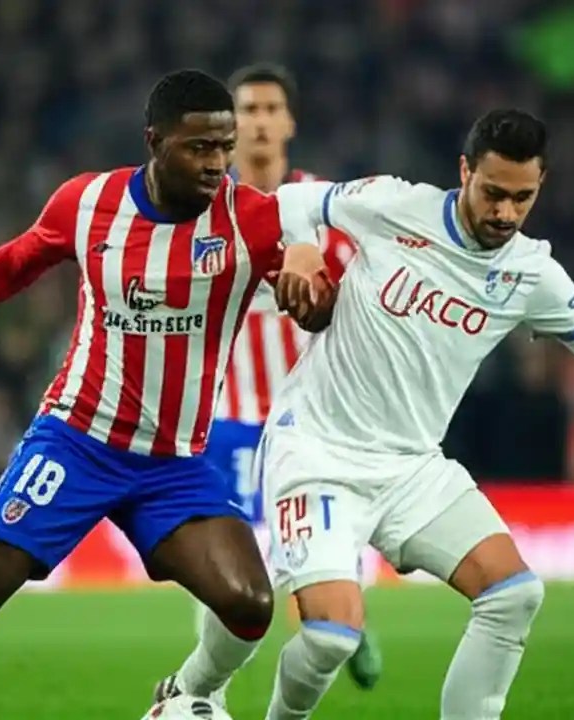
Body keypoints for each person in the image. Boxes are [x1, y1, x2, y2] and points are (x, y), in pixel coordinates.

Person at [167, 108, 574, 719]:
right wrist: (300, 251)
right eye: (494, 193)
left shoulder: (532, 274)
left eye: (522, 198)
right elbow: (296, 199)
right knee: (330, 637)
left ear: (541, 187)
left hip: (412, 469)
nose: (505, 213)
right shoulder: (396, 204)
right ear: (465, 171)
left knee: (515, 595)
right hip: (317, 452)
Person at [0, 69, 333, 720]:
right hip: (78, 440)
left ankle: (182, 694)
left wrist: (310, 281)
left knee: (249, 604)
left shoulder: (251, 219)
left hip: (174, 465)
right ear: (154, 142)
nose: (217, 163)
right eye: (199, 148)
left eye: (224, 146)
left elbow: (312, 289)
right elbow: (15, 262)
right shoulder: (89, 203)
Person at [191, 62, 383, 693]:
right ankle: (208, 694)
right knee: (223, 567)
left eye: (272, 109)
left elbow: (365, 302)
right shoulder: (204, 213)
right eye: (248, 110)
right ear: (229, 125)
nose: (261, 122)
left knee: (303, 550)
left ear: (290, 122)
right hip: (225, 420)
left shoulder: (327, 209)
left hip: (309, 420)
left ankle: (337, 605)